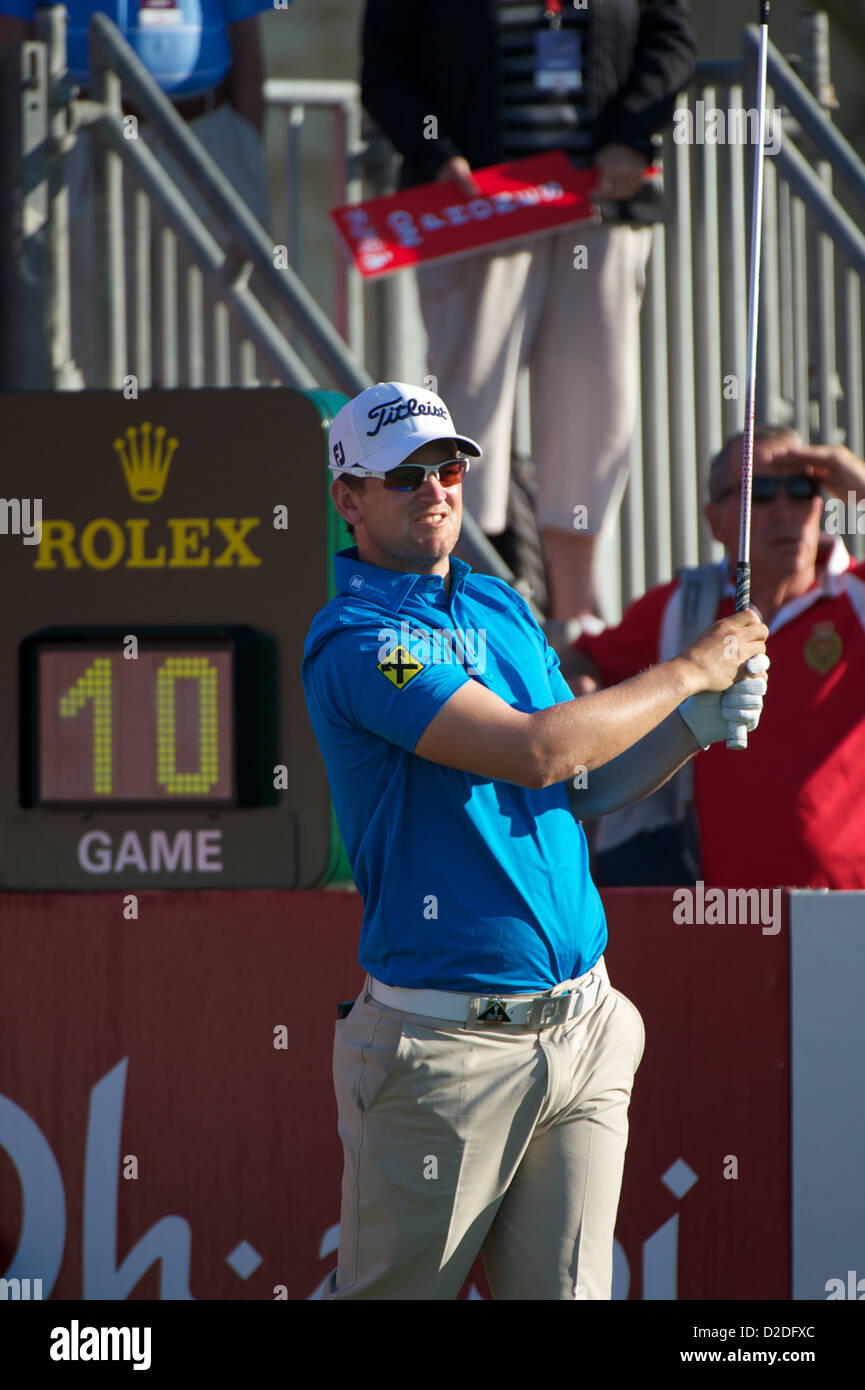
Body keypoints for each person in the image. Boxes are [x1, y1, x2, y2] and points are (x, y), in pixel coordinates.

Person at [301, 380, 768, 1300]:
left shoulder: (501, 607)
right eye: (403, 476)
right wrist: (686, 672)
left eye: (447, 468)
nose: (434, 488)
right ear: (347, 498)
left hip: (584, 1026)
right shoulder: (358, 639)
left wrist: (692, 729)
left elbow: (585, 784)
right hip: (443, 1056)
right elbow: (538, 752)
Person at [360, 0, 696, 625]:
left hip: (599, 200)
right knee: (467, 409)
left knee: (591, 408)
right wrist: (438, 151)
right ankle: (469, 600)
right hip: (476, 208)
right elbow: (386, 68)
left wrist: (630, 132)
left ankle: (575, 619)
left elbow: (669, 36)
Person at [562, 424, 865, 890]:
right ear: (716, 519)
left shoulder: (857, 597)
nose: (785, 511)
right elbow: (579, 661)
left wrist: (858, 484)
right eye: (758, 493)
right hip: (720, 921)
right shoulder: (681, 611)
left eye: (803, 488)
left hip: (849, 915)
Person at [0, 0, 275, 385]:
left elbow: (247, 37)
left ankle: (219, 438)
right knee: (91, 324)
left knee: (219, 325)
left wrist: (245, 147)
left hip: (204, 135)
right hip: (81, 135)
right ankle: (101, 436)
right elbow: (12, 35)